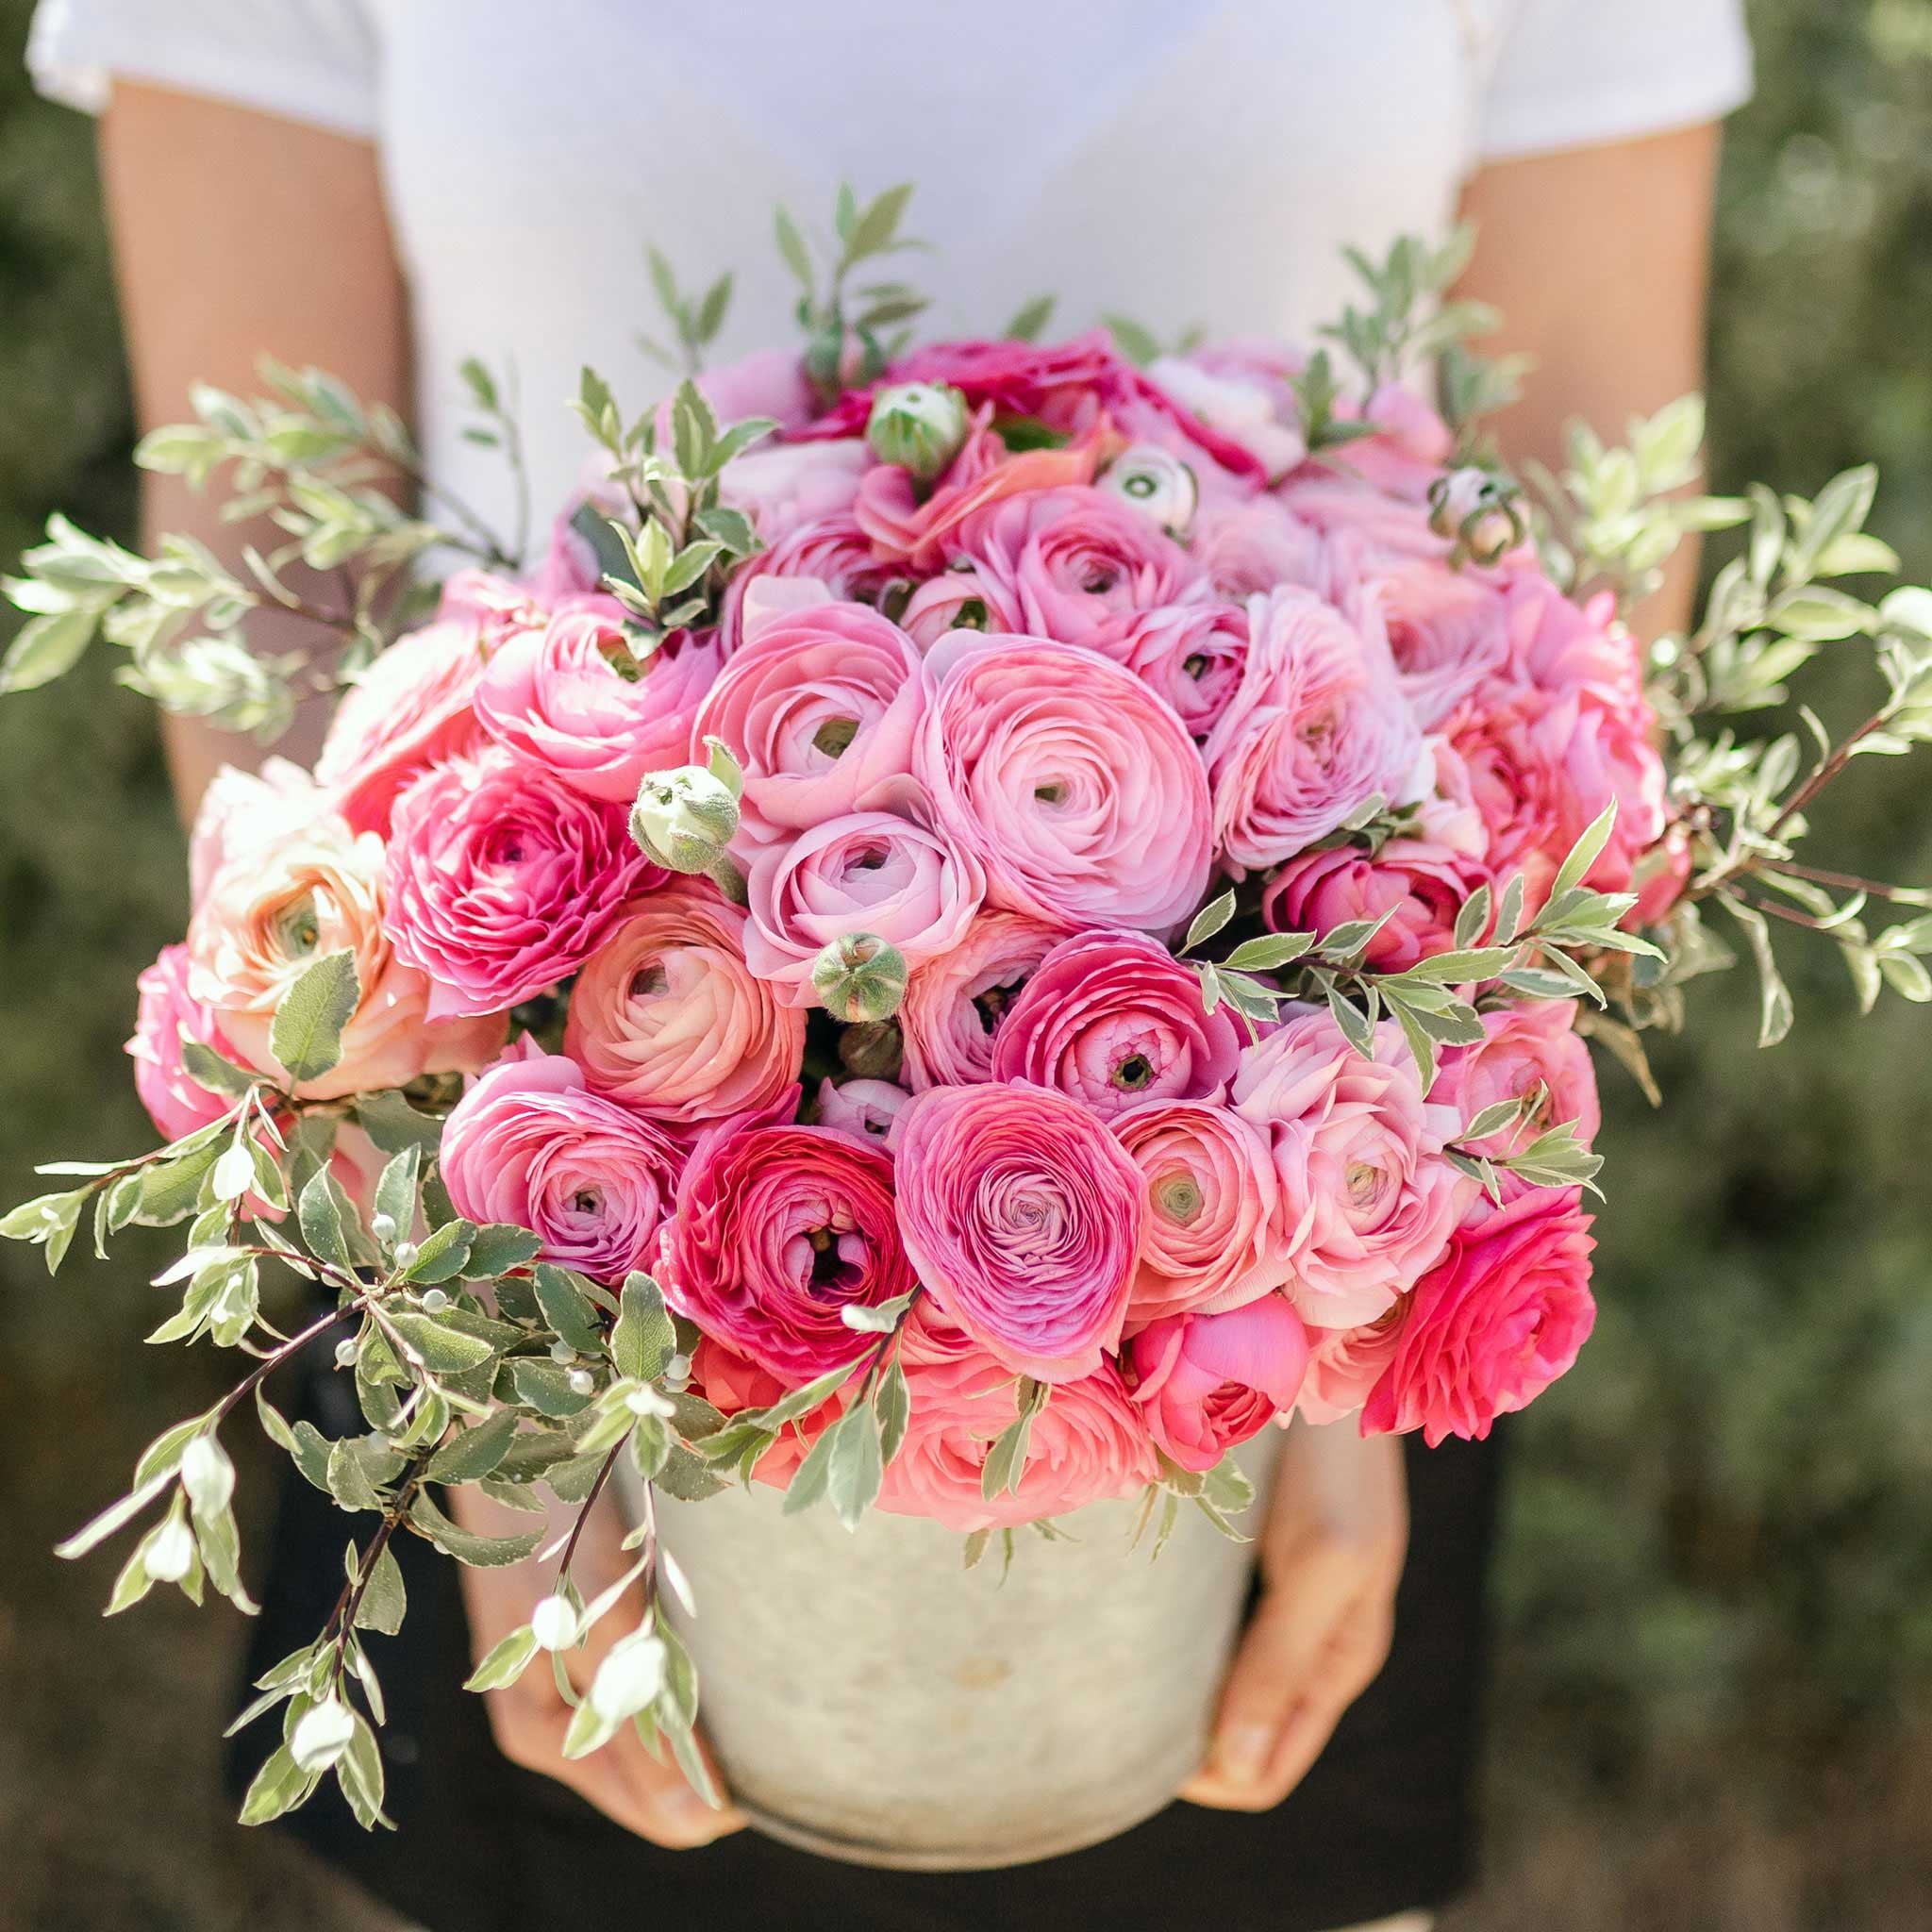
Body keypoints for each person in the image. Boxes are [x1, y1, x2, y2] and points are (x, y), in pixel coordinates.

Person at [27, 5, 1752, 1928]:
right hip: (521, 1250)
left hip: (1267, 1329)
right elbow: (270, 569)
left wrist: (1353, 1282)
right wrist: (475, 1384)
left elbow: (1583, 523)